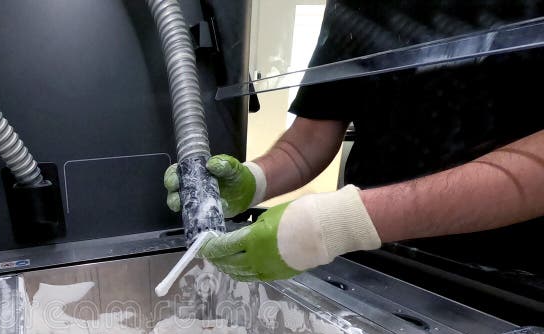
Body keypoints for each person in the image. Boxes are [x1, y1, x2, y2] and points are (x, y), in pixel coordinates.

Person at [164, 1, 544, 282]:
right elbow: (306, 143)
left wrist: (342, 221)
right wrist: (254, 180)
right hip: (374, 266)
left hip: (509, 287)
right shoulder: (358, 6)